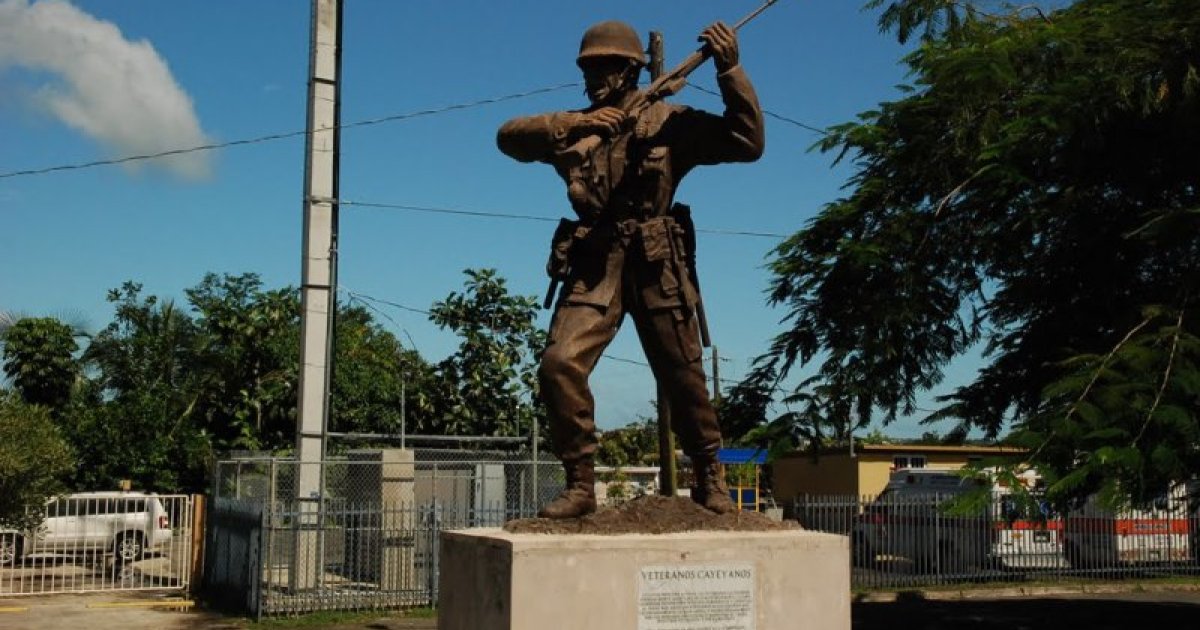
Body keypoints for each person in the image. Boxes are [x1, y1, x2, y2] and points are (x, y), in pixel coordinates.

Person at [496, 19, 765, 518]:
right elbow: (508, 137)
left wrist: (730, 71)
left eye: (605, 67)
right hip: (596, 262)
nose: (593, 76)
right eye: (588, 68)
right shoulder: (576, 128)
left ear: (630, 70)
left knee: (683, 374)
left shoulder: (670, 122)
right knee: (559, 364)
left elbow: (747, 141)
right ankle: (580, 482)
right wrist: (579, 125)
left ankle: (709, 472)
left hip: (657, 259)